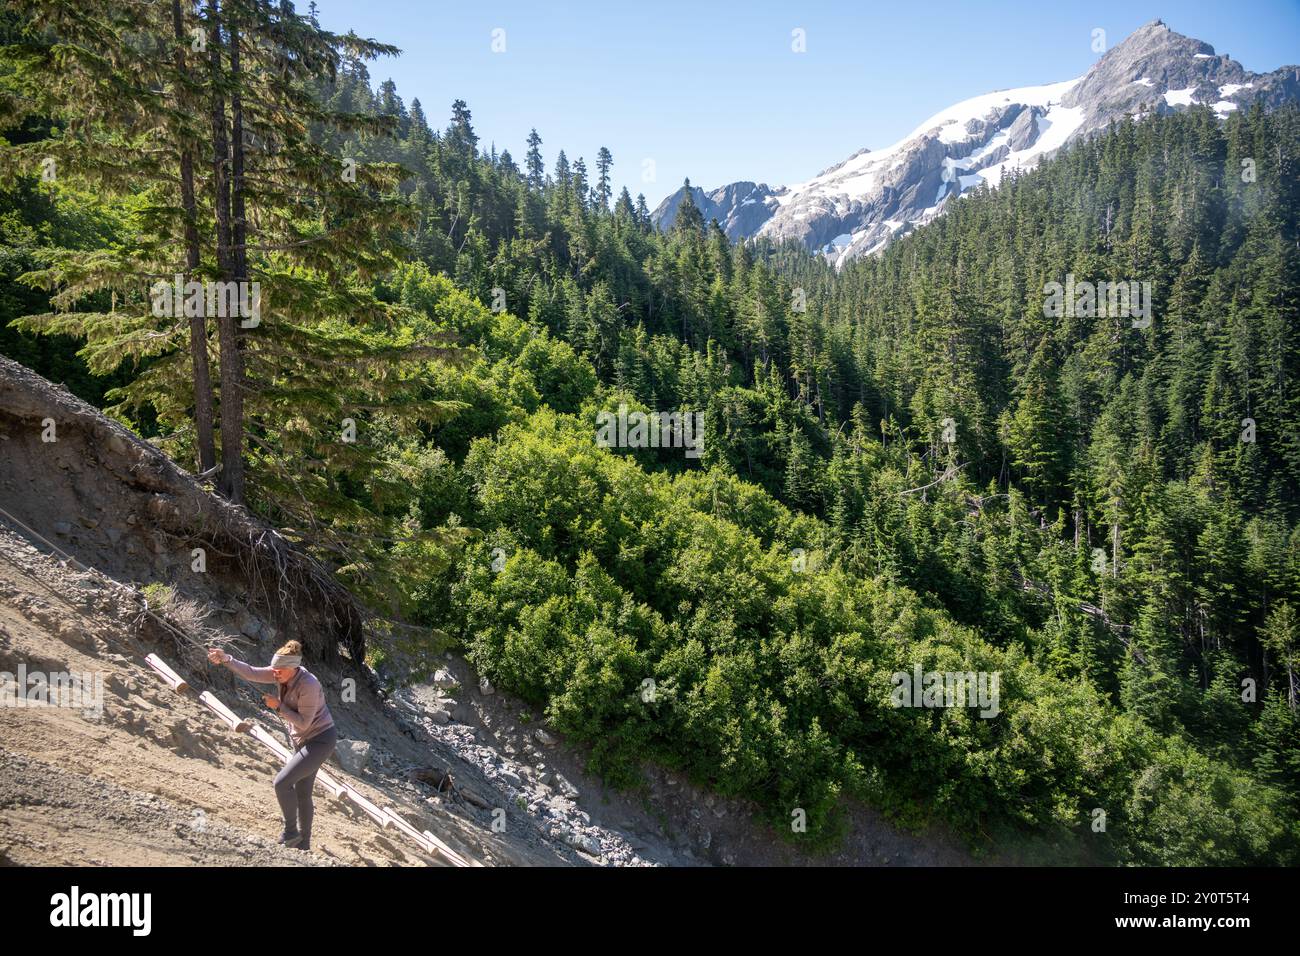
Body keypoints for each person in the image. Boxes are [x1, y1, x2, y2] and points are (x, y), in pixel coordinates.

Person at [207, 639, 337, 851]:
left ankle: (291, 833)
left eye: (279, 671)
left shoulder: (309, 685)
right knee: (303, 792)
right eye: (274, 670)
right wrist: (226, 659)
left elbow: (304, 723)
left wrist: (278, 706)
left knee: (282, 783)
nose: (274, 674)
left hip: (320, 740)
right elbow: (252, 673)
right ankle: (303, 845)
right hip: (304, 741)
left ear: (293, 669)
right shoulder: (281, 672)